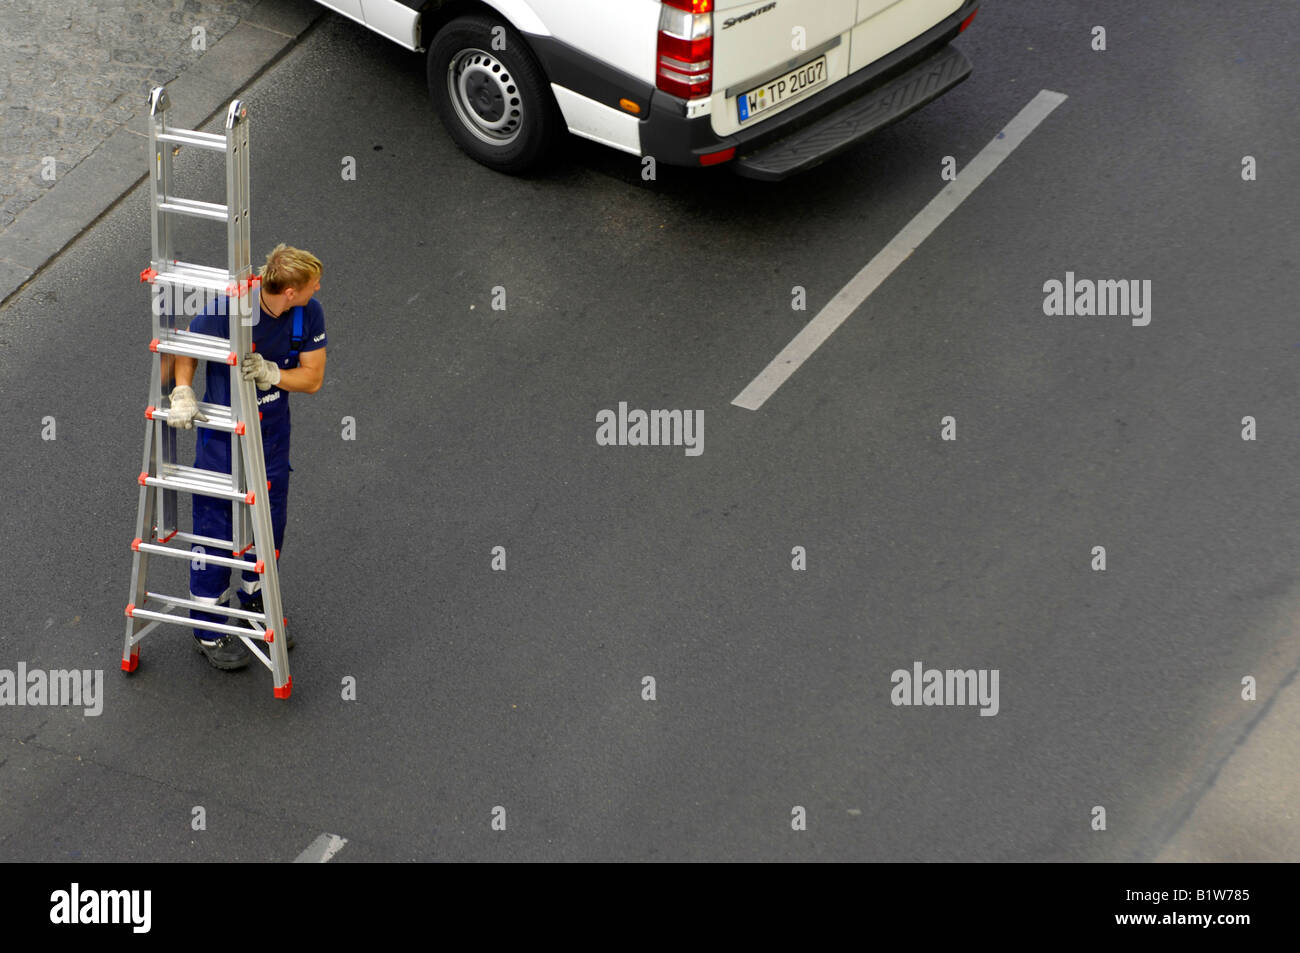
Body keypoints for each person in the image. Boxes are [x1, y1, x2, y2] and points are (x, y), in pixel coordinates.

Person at [167, 244, 327, 669]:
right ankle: (209, 629)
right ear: (289, 291)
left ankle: (255, 605)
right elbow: (187, 348)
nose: (318, 289)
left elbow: (312, 378)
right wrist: (182, 390)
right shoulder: (227, 309)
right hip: (224, 441)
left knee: (268, 527)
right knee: (216, 532)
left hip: (271, 439)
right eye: (312, 285)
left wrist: (274, 374)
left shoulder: (307, 314)